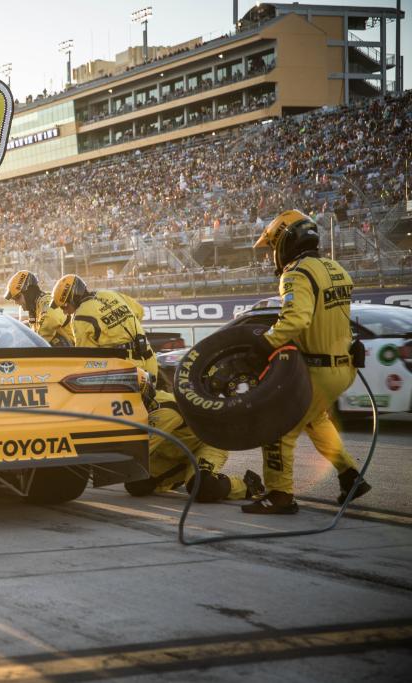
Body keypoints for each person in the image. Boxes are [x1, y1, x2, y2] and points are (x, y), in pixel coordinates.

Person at [245, 210, 371, 514]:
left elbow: (296, 319)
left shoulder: (297, 274)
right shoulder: (335, 268)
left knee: (277, 427)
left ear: (287, 242)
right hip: (345, 366)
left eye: (274, 247)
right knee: (315, 420)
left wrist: (264, 343)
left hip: (317, 369)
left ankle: (279, 495)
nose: (272, 255)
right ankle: (350, 476)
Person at [126, 374, 264, 502]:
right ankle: (182, 475)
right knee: (136, 484)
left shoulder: (165, 412)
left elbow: (135, 451)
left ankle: (246, 485)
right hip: (174, 453)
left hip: (206, 444)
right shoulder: (144, 403)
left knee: (203, 487)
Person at [50, 274, 158, 377]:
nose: (64, 312)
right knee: (155, 394)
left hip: (127, 368)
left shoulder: (80, 318)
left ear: (73, 299)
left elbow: (86, 357)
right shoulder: (110, 294)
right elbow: (140, 311)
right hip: (149, 357)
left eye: (64, 307)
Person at [3, 270, 72, 346]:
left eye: (17, 297)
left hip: (73, 352)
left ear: (28, 293)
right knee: (22, 328)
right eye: (14, 299)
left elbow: (40, 341)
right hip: (62, 351)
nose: (16, 302)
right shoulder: (36, 306)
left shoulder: (48, 306)